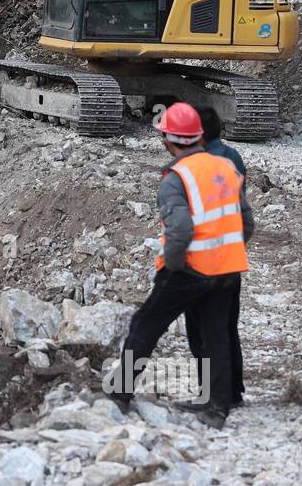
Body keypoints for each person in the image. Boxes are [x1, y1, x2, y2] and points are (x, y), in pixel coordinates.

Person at [106, 102, 253, 428]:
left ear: (168, 140)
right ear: (199, 137)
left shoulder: (176, 178)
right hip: (227, 269)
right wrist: (227, 251)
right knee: (216, 335)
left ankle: (120, 392)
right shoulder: (226, 167)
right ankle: (217, 407)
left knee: (145, 325)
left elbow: (181, 229)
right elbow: (246, 221)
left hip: (189, 269)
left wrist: (172, 267)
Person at [183, 106, 248, 406]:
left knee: (202, 332)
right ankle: (233, 390)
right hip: (230, 256)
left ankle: (212, 395)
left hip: (201, 260)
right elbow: (244, 214)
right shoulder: (233, 158)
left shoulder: (194, 164)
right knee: (226, 325)